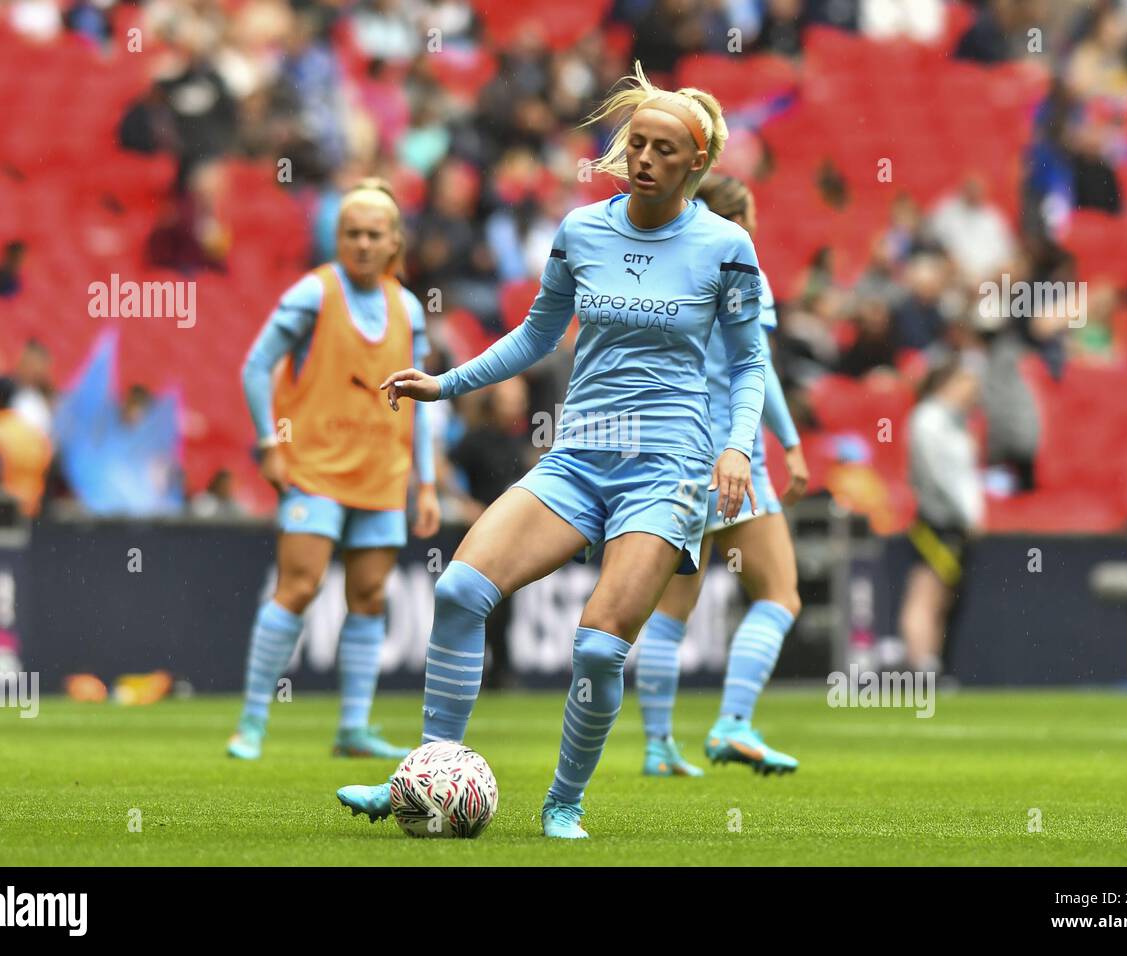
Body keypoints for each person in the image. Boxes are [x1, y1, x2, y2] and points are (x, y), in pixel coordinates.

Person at [336, 63, 767, 839]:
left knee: (599, 651)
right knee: (460, 592)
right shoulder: (582, 230)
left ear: (697, 164)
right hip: (578, 459)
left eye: (664, 149)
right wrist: (448, 382)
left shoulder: (725, 247)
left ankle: (564, 802)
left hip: (666, 471)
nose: (642, 158)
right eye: (636, 142)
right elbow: (538, 334)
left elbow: (748, 363)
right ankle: (429, 774)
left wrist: (737, 449)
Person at [227, 178, 441, 762]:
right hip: (315, 469)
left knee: (369, 596)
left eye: (375, 234)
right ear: (336, 238)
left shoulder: (406, 308)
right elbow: (255, 366)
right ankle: (251, 723)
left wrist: (426, 481)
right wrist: (269, 443)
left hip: (380, 473)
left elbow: (420, 403)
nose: (363, 244)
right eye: (352, 234)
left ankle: (353, 728)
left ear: (395, 241)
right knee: (299, 586)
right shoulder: (314, 294)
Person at [630, 173, 810, 778]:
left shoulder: (670, 258)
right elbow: (756, 368)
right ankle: (733, 723)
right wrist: (791, 443)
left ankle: (658, 746)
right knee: (779, 593)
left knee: (670, 611)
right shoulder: (738, 261)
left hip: (673, 453)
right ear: (743, 214)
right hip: (735, 455)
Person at [900, 357, 984, 676]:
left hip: (951, 520)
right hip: (938, 519)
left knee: (942, 595)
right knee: (926, 592)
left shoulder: (954, 421)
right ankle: (921, 663)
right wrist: (969, 513)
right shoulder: (930, 420)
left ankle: (929, 663)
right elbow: (942, 475)